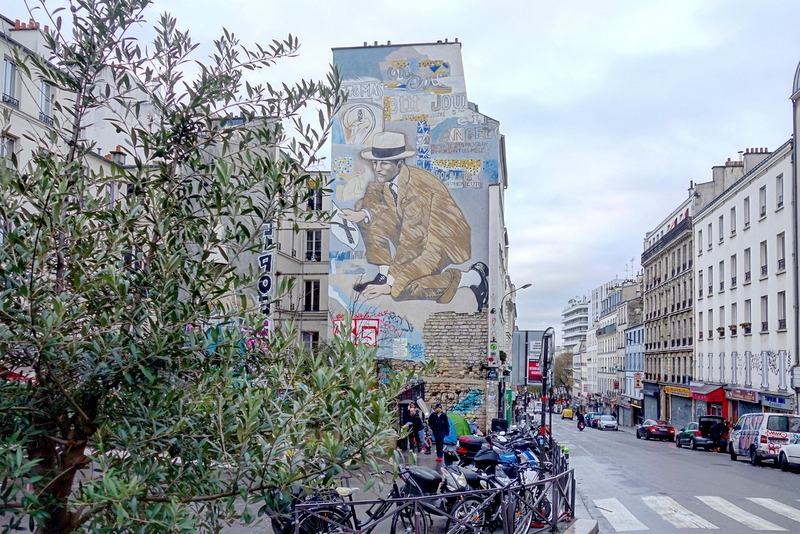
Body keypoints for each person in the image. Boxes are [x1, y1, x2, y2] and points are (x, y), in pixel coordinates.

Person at [339, 131, 488, 311]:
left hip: (441, 239)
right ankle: (383, 275)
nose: (377, 168)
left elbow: (413, 241)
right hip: (414, 233)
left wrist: (392, 284)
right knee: (362, 206)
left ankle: (472, 278)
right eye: (375, 162)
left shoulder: (418, 187)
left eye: (384, 163)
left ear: (399, 163)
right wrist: (362, 214)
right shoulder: (383, 180)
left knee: (400, 290)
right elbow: (372, 203)